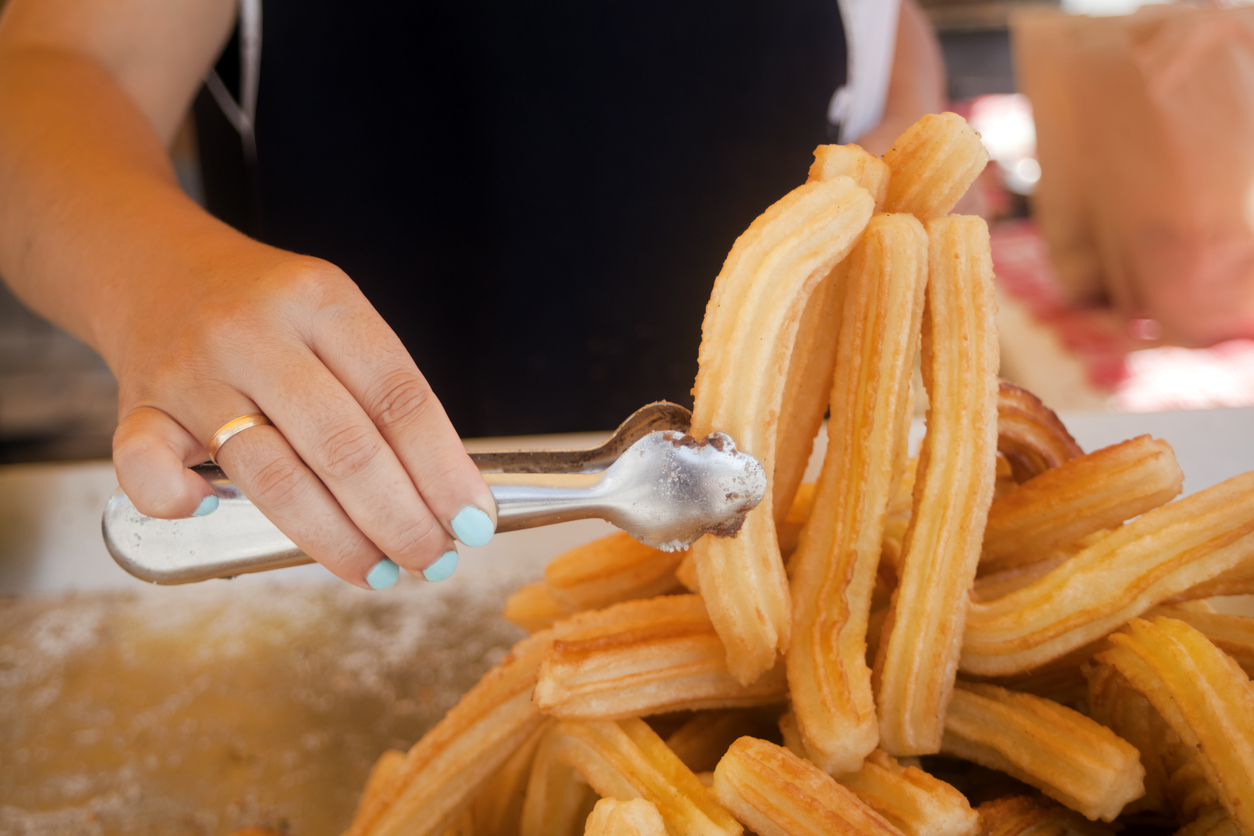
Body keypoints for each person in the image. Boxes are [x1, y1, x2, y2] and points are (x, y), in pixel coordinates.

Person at [0, 0, 944, 589]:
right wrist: (160, 280)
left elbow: (890, 52)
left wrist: (905, 137)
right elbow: (55, 70)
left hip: (804, 557)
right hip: (360, 562)